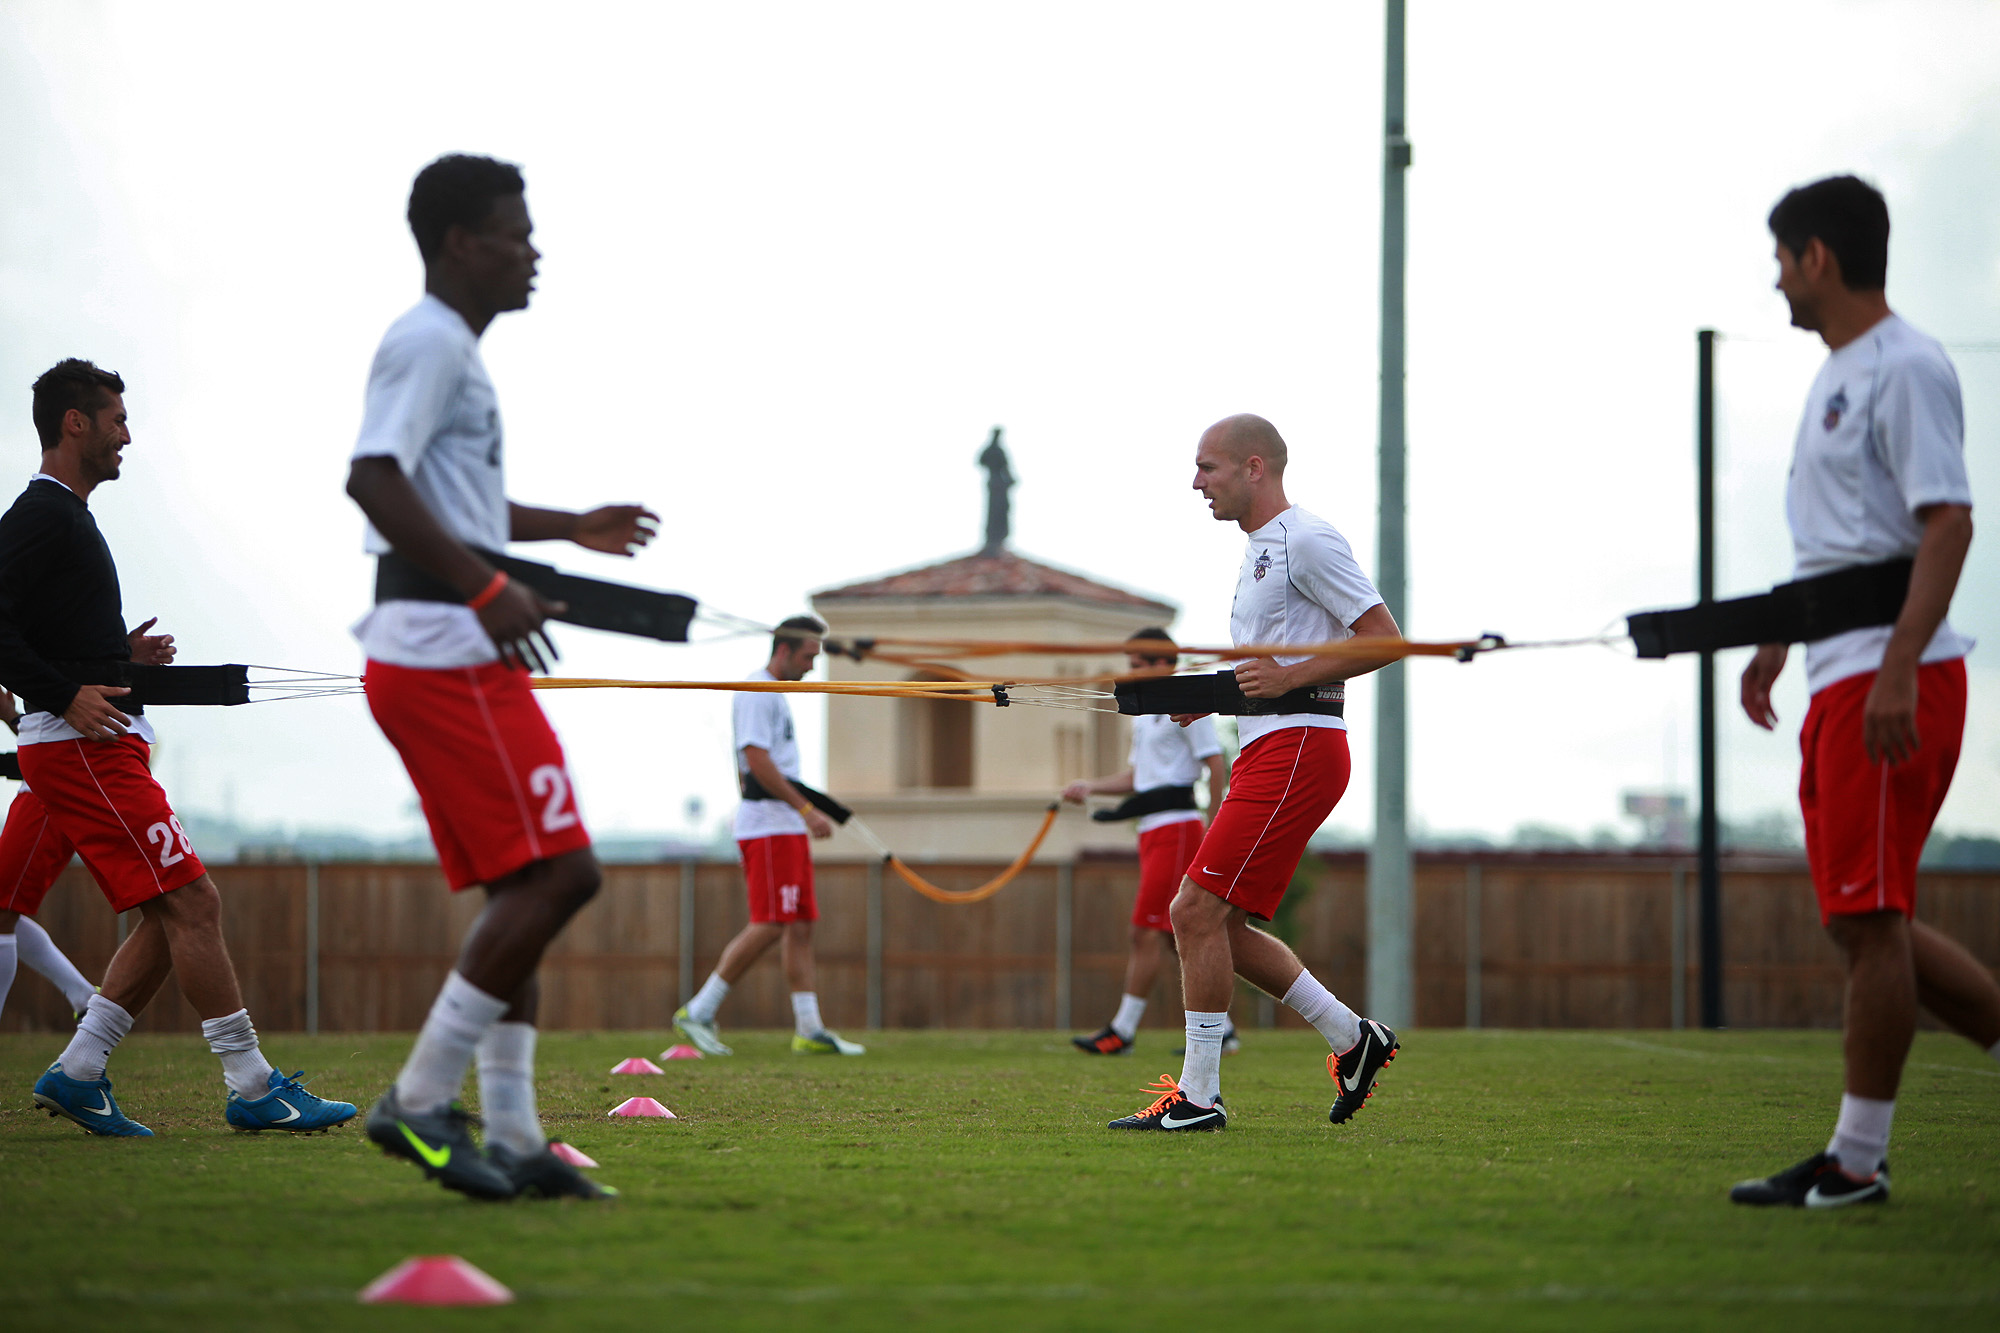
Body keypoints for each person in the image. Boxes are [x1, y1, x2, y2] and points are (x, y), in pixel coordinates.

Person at [347, 154, 658, 1201]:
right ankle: (421, 1097)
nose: (534, 252)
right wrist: (486, 588)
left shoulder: (454, 352)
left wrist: (570, 525)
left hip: (449, 648)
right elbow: (372, 478)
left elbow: (455, 502)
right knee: (566, 875)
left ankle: (519, 1138)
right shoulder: (428, 341)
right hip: (444, 652)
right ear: (459, 243)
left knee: (524, 888)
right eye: (516, 234)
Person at [1730, 176, 2000, 1208]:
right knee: (1857, 917)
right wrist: (1775, 638)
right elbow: (1842, 550)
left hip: (1893, 682)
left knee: (1872, 916)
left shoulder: (1906, 365)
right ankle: (1858, 1152)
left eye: (1780, 259)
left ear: (1818, 258)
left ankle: (1855, 1161)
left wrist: (1895, 667)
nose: (1775, 281)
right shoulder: (1835, 374)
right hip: (1840, 676)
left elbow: (1949, 524)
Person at [2, 359, 353, 1137]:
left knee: (170, 911)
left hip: (92, 742)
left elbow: (37, 628)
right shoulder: (44, 513)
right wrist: (63, 693)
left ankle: (79, 1069)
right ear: (75, 423)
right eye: (117, 420)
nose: (127, 436)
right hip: (82, 746)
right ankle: (252, 1083)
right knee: (195, 901)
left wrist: (113, 656)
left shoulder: (67, 517)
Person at [1111, 414, 1402, 1132]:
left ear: (1253, 467)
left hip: (1300, 748)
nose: (1196, 482)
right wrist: (1213, 696)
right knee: (1218, 924)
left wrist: (1289, 678)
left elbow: (1384, 639)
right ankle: (1353, 1037)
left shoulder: (1307, 539)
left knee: (1191, 913)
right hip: (1269, 747)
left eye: (1207, 467)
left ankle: (1199, 1096)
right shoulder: (1259, 551)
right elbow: (1269, 671)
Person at [674, 616, 865, 1057]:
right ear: (783, 651)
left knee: (800, 924)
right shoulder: (757, 691)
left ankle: (809, 1029)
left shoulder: (774, 694)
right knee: (771, 922)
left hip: (785, 826)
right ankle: (698, 1012)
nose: (812, 666)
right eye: (808, 657)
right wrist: (806, 811)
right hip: (769, 826)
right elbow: (756, 760)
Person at [1066, 628, 1230, 1056]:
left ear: (1162, 663)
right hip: (1152, 829)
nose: (1130, 671)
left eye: (1137, 664)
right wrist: (1090, 786)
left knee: (1143, 931)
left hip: (1178, 828)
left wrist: (1214, 828)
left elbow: (1215, 764)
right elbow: (1139, 777)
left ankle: (1122, 1032)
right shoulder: (1145, 712)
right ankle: (1225, 1029)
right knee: (1178, 933)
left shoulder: (1188, 702)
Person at [0, 689, 99, 1024]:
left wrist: (11, 717)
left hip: (47, 795)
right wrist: (11, 716)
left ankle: (85, 998)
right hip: (39, 789)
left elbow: (59, 735)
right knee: (3, 911)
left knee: (3, 912)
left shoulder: (76, 671)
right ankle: (83, 997)